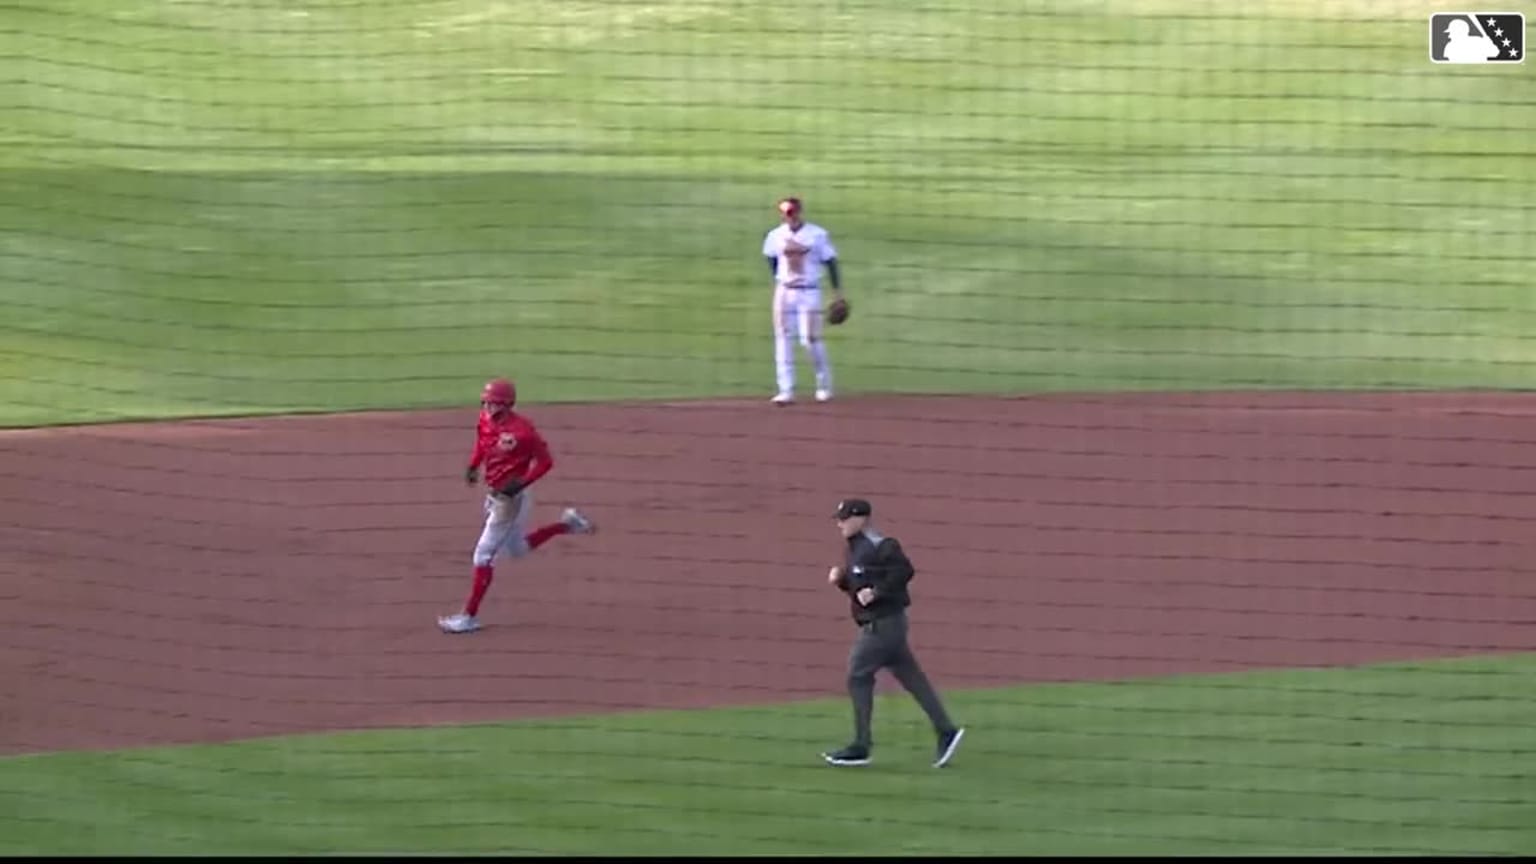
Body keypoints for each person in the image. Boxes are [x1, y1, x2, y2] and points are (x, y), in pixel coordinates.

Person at [437, 377, 597, 634]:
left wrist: (521, 483)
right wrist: (473, 465)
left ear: (508, 404)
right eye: (487, 401)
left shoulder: (524, 432)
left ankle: (468, 616)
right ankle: (567, 524)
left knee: (483, 555)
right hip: (496, 494)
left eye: (495, 403)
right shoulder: (484, 420)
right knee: (518, 549)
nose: (489, 407)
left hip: (511, 500)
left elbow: (546, 462)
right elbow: (482, 443)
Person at [822, 498, 965, 767]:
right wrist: (843, 582)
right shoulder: (854, 549)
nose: (839, 523)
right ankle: (946, 730)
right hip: (884, 624)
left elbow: (904, 572)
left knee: (858, 674)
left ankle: (861, 745)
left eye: (844, 518)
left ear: (861, 518)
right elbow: (860, 591)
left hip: (884, 626)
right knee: (913, 679)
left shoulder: (881, 545)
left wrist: (877, 592)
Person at [761, 197, 843, 405]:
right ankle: (786, 390)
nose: (790, 216)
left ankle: (824, 385)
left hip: (809, 292)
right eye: (786, 213)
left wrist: (837, 292)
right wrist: (780, 282)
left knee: (810, 339)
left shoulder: (817, 235)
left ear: (799, 212)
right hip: (784, 292)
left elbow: (831, 262)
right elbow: (771, 259)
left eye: (793, 212)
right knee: (783, 338)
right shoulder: (775, 235)